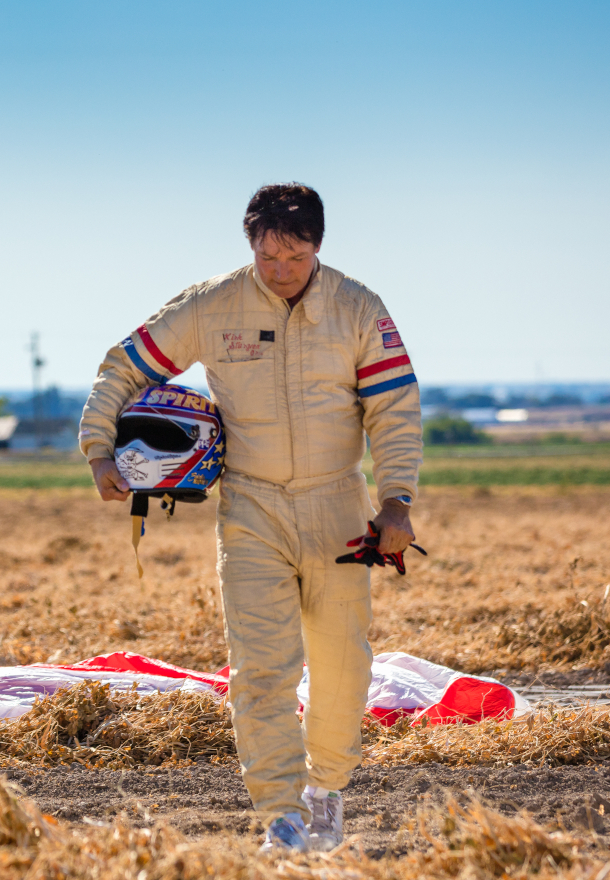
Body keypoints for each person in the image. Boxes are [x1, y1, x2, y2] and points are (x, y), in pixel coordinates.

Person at [76, 184, 422, 853]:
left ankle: (326, 791)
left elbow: (394, 409)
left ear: (318, 247)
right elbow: (122, 366)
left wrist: (397, 500)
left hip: (340, 511)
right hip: (251, 508)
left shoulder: (359, 308)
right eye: (266, 255)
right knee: (262, 669)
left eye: (293, 256)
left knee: (343, 663)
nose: (279, 269)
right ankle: (282, 816)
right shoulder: (213, 304)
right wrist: (99, 452)